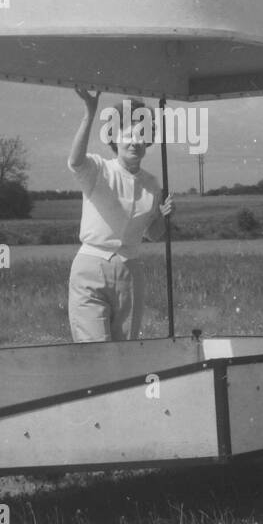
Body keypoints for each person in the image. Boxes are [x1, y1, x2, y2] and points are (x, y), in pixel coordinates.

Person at [67, 88, 173, 341]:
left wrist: (165, 217)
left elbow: (153, 234)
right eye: (127, 134)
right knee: (94, 352)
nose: (134, 142)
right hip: (90, 269)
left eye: (141, 135)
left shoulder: (152, 184)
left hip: (130, 272)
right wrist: (90, 113)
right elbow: (75, 160)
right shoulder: (98, 169)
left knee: (125, 352)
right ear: (114, 137)